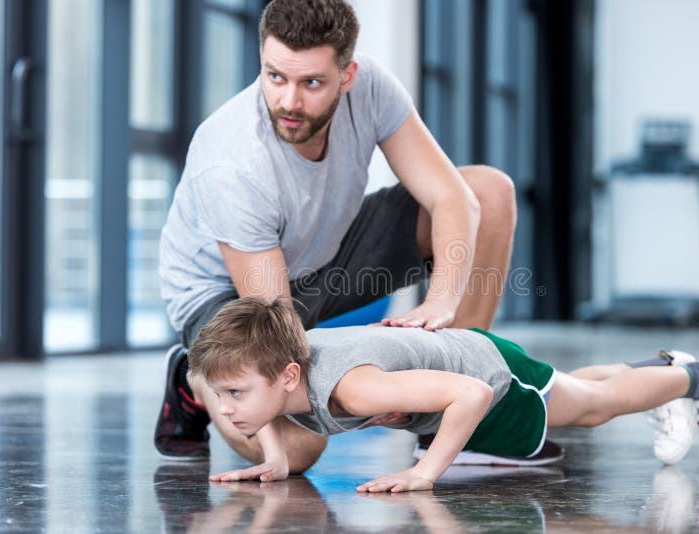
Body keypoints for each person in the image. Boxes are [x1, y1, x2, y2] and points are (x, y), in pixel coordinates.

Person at [155, 0, 523, 468]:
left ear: (346, 76)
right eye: (275, 77)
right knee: (300, 449)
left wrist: (442, 302)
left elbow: (454, 199)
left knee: (489, 192)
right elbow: (274, 326)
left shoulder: (370, 86)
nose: (289, 101)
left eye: (311, 82)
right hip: (234, 300)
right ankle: (197, 374)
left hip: (323, 255)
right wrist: (372, 393)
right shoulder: (231, 162)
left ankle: (459, 418)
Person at [188, 297, 699, 492]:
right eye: (220, 395)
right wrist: (279, 459)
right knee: (575, 385)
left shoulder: (355, 390)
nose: (227, 408)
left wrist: (424, 473)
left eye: (235, 392)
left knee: (592, 409)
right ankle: (663, 369)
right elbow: (264, 406)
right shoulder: (275, 376)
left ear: (288, 377)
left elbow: (472, 395)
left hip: (490, 375)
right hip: (465, 359)